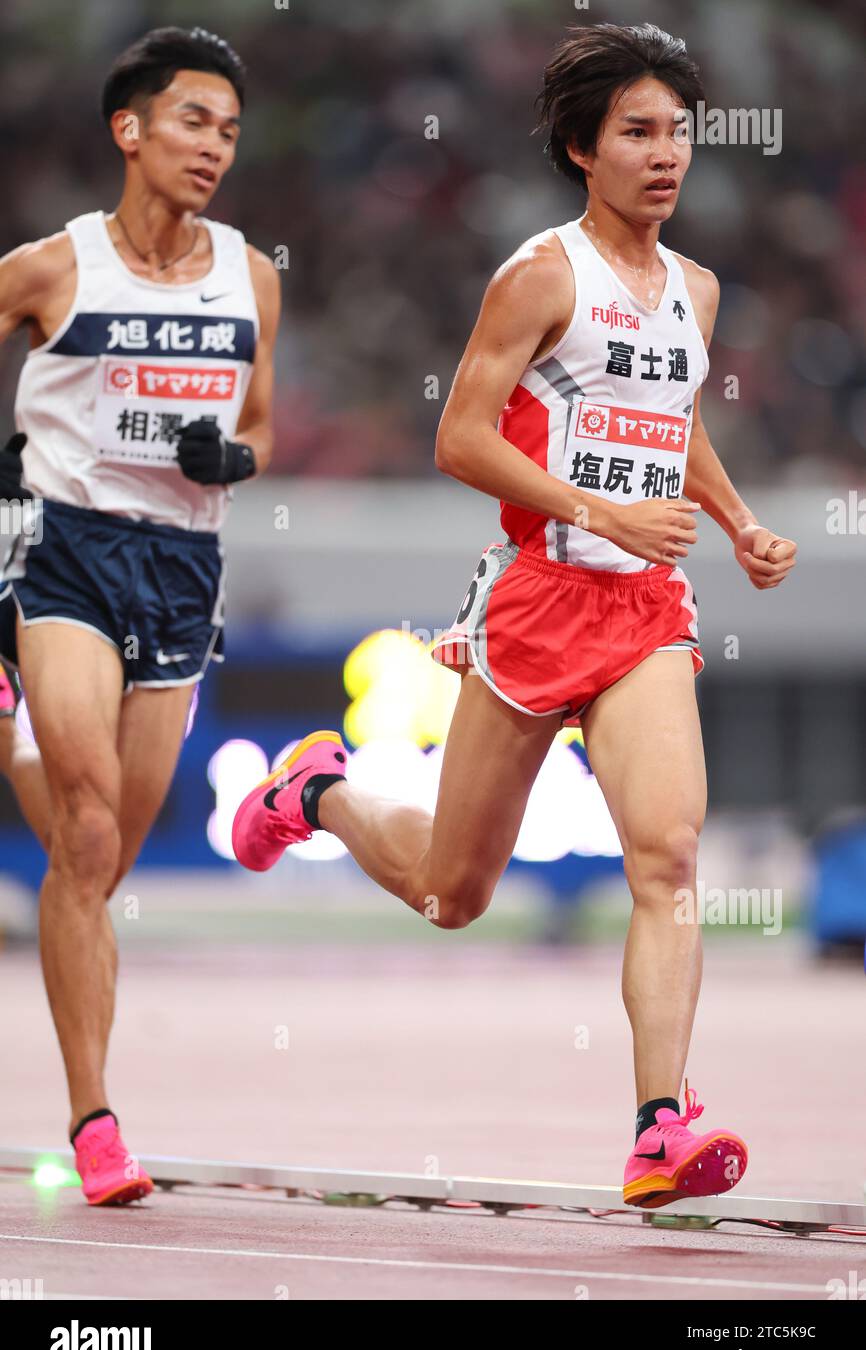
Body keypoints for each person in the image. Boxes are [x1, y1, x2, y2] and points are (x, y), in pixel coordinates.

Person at [231, 22, 796, 1208]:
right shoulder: (538, 273)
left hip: (645, 606)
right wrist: (600, 507)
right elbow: (460, 437)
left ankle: (656, 1123)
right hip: (536, 602)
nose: (665, 155)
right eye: (636, 133)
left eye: (678, 133)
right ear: (582, 150)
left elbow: (671, 420)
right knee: (452, 893)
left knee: (670, 854)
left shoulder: (691, 287)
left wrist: (735, 522)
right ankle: (316, 790)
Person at [0, 25, 280, 1205]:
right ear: (131, 129)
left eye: (227, 129)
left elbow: (261, 419)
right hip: (63, 550)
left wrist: (238, 455)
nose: (213, 146)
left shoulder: (251, 274)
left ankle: (8, 719)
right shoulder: (50, 268)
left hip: (180, 568)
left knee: (97, 857)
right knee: (88, 815)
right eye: (191, 121)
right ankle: (96, 1121)